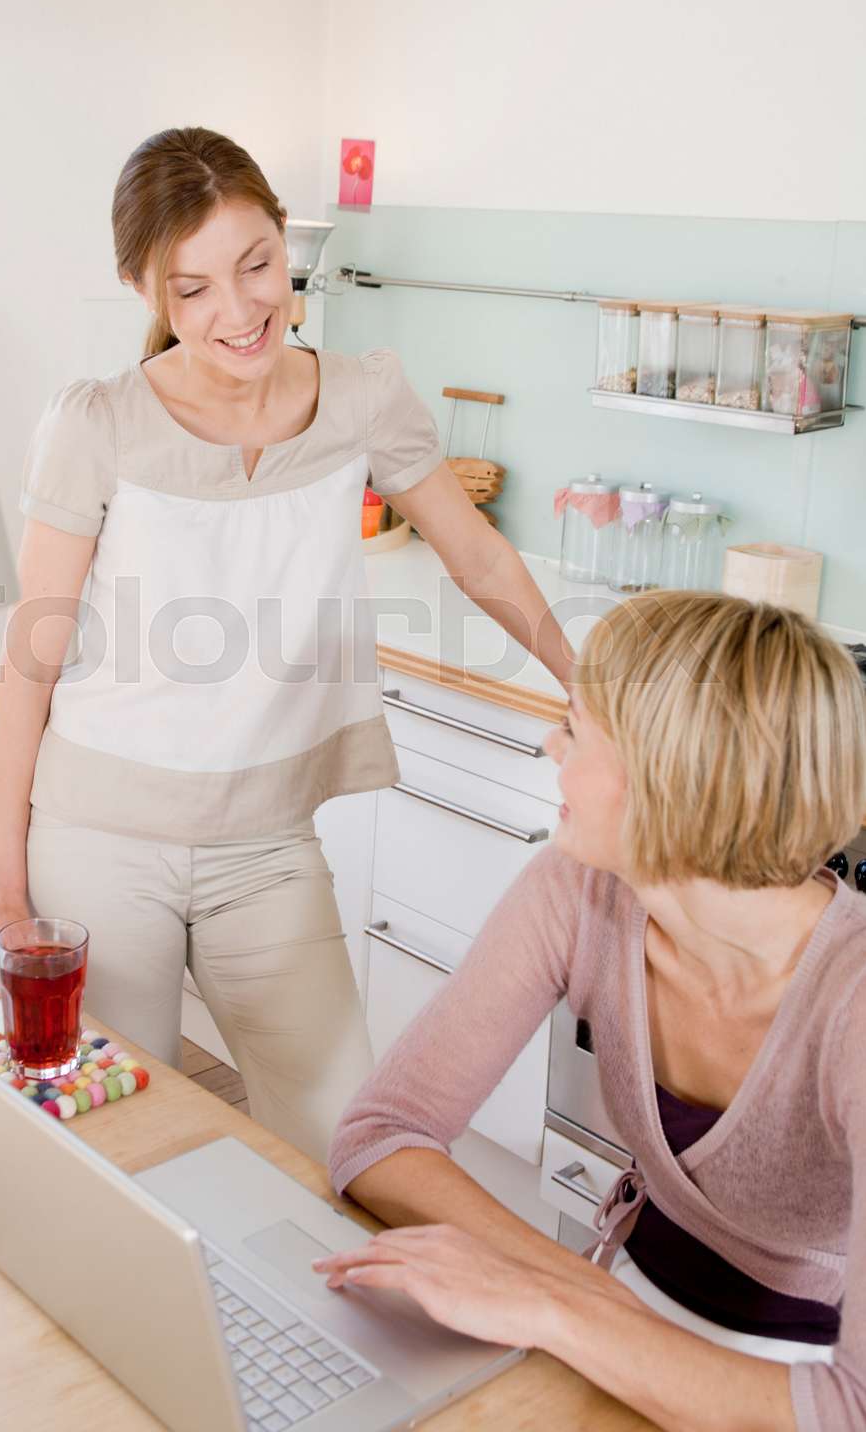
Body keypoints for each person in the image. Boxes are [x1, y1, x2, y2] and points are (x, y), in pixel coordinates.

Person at [0, 125, 570, 1160]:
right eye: (191, 287)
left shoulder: (362, 397)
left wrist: (586, 680)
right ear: (144, 290)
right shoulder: (98, 425)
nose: (238, 311)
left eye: (256, 267)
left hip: (266, 847)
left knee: (344, 1139)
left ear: (286, 242)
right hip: (98, 844)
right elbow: (31, 660)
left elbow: (475, 557)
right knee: (115, 1144)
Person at [323, 591, 866, 1430]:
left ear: (669, 778)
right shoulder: (578, 890)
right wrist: (570, 1296)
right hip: (621, 1299)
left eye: (574, 728)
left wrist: (557, 1307)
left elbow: (847, 1408)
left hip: (797, 1375)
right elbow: (378, 1135)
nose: (549, 742)